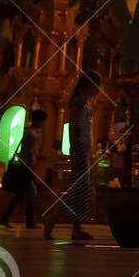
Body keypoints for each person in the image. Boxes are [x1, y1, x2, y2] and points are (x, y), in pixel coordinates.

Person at [45, 72, 97, 243]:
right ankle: (53, 218)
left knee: (82, 189)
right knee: (78, 188)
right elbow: (73, 126)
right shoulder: (78, 102)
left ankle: (76, 228)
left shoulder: (84, 102)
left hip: (84, 147)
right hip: (80, 147)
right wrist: (78, 147)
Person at [0, 110, 44, 229]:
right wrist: (31, 167)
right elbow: (29, 152)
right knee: (26, 194)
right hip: (26, 167)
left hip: (25, 166)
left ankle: (8, 217)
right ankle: (26, 221)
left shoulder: (31, 131)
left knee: (25, 194)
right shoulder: (31, 133)